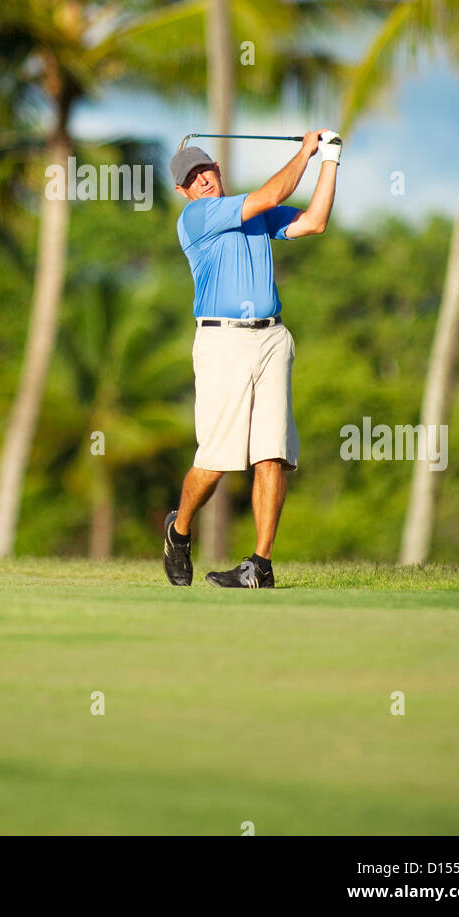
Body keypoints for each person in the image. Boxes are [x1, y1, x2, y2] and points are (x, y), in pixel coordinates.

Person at [164, 130, 342, 588]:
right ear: (183, 192)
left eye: (205, 170)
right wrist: (304, 150)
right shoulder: (198, 217)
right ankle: (179, 530)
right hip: (223, 343)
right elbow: (272, 193)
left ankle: (259, 566)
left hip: (272, 340)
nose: (202, 180)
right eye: (192, 178)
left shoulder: (256, 215)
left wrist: (330, 161)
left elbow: (315, 221)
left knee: (272, 454)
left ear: (217, 170)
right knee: (217, 459)